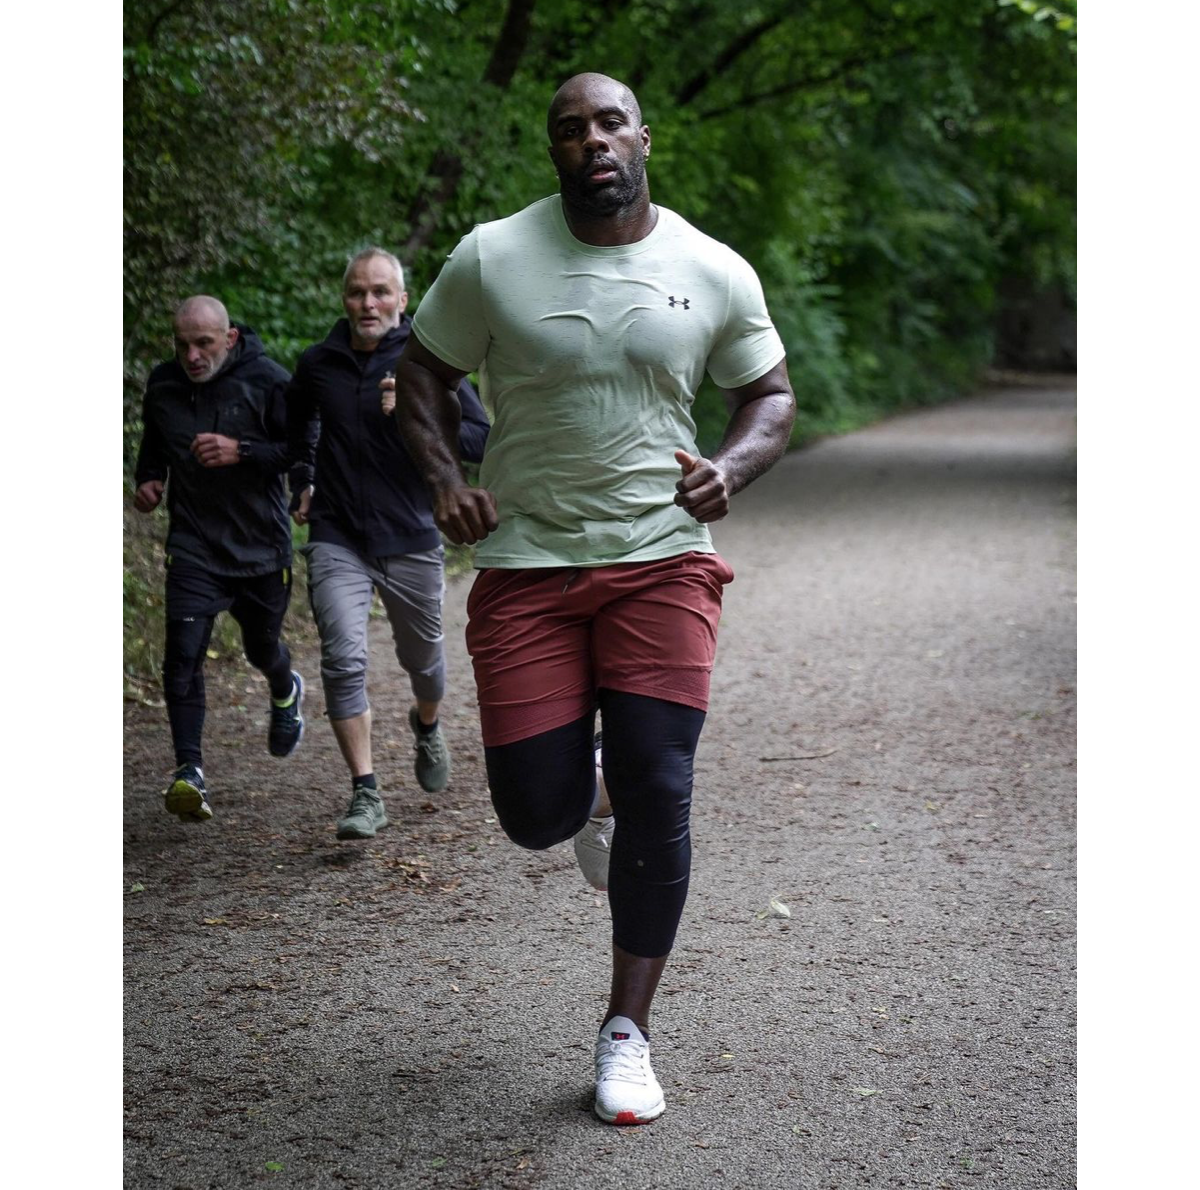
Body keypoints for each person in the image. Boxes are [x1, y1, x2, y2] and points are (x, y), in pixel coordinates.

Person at [388, 73, 796, 1125]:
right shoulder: (493, 256)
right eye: (570, 129)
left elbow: (770, 394)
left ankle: (627, 1033)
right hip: (527, 562)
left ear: (642, 137)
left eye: (609, 122)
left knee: (665, 783)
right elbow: (418, 376)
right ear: (554, 151)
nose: (592, 140)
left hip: (663, 557)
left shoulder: (711, 266)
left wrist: (731, 469)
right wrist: (444, 481)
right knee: (538, 813)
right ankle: (588, 791)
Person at [286, 247, 490, 841]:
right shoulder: (318, 363)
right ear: (344, 298)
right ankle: (366, 791)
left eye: (380, 292)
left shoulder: (427, 363)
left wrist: (425, 411)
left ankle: (426, 724)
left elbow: (480, 439)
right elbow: (297, 422)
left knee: (423, 660)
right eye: (356, 292)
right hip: (337, 533)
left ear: (403, 300)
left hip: (410, 535)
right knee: (343, 656)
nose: (367, 303)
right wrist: (303, 478)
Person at [133, 295, 306, 823]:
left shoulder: (269, 379)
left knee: (261, 648)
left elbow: (300, 447)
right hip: (194, 547)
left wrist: (242, 451)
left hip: (260, 548)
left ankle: (285, 687)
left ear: (228, 339)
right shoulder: (163, 384)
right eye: (182, 344)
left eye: (203, 343)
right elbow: (152, 446)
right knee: (182, 656)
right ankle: (189, 772)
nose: (191, 355)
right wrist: (148, 479)